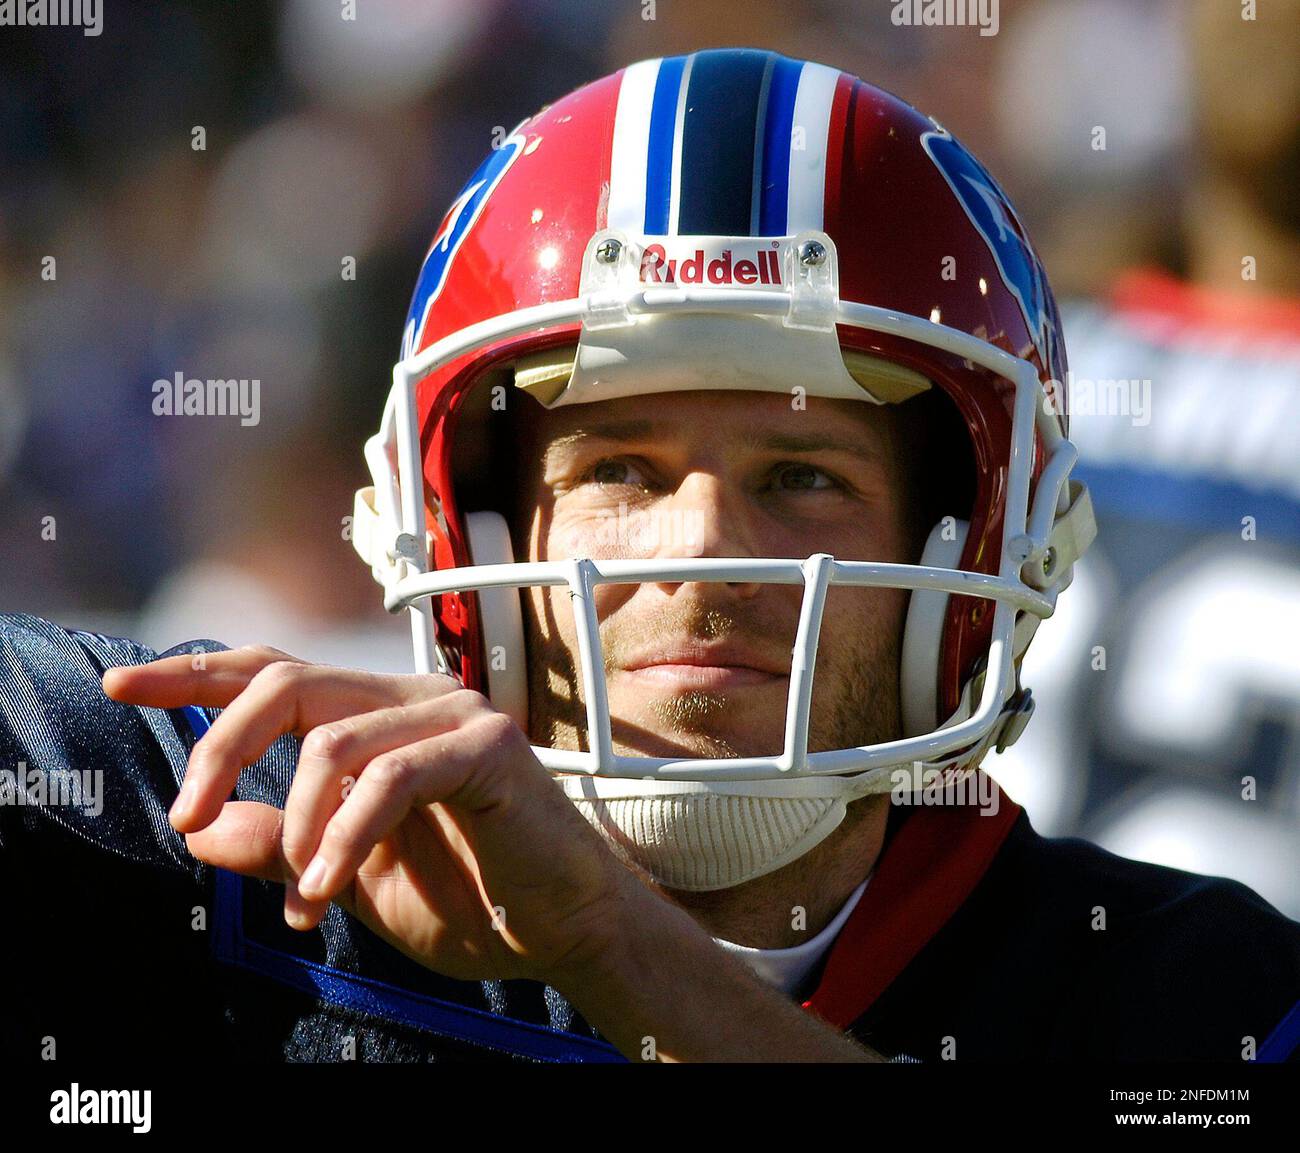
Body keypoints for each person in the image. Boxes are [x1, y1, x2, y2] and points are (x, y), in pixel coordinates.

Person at [2, 49, 1296, 1063]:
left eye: (804, 477)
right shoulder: (240, 837)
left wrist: (611, 948)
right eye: (618, 468)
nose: (705, 548)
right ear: (465, 519)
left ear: (971, 538)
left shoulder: (1196, 996)